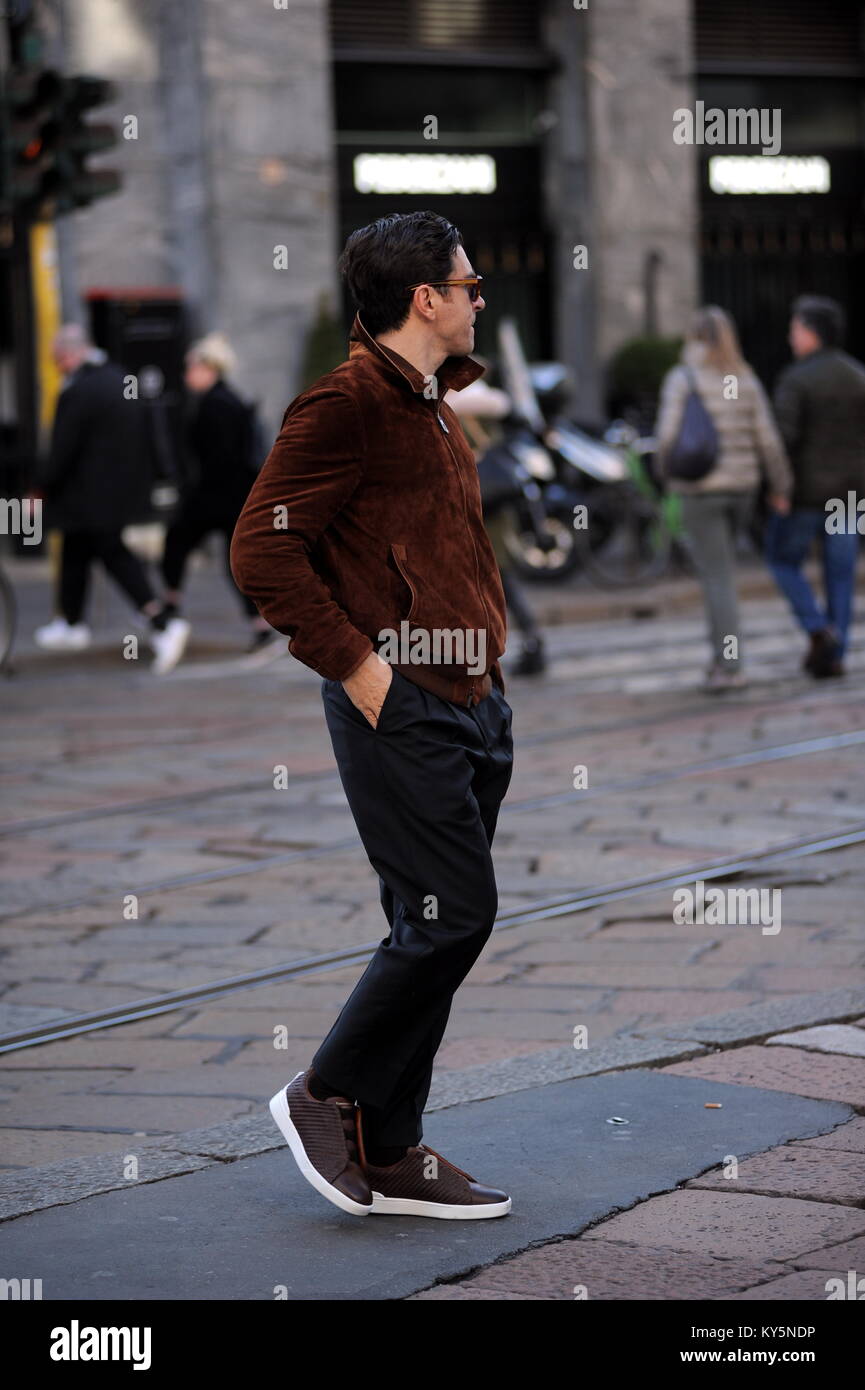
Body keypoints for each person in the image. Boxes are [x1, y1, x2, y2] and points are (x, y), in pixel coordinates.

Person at [230, 211, 514, 1220]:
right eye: (469, 284)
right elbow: (261, 552)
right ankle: (326, 1095)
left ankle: (390, 1145)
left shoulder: (434, 400)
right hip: (400, 705)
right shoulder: (343, 403)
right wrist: (361, 672)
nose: (482, 297)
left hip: (473, 701)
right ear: (424, 299)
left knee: (433, 922)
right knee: (452, 916)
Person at [34, 324, 190, 674]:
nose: (57, 366)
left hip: (88, 496)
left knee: (114, 556)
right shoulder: (121, 379)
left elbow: (63, 449)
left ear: (67, 355)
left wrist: (41, 486)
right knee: (76, 550)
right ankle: (71, 623)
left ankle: (163, 621)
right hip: (118, 493)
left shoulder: (78, 389)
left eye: (57, 359)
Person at [655, 305, 793, 691]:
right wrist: (781, 487)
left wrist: (665, 478)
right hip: (743, 489)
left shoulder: (683, 378)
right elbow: (767, 440)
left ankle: (730, 667)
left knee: (718, 578)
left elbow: (666, 437)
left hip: (701, 490)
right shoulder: (745, 378)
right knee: (723, 571)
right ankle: (722, 659)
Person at [765, 295, 865, 678]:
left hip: (807, 495)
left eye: (795, 329)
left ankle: (815, 627)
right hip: (849, 496)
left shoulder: (797, 378)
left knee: (782, 560)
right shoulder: (857, 375)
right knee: (841, 572)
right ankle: (836, 648)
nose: (791, 338)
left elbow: (782, 440)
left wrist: (777, 488)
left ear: (811, 333)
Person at [157, 332, 274, 653]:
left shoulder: (216, 405)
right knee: (231, 561)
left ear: (209, 368)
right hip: (233, 497)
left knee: (181, 542)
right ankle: (259, 626)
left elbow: (221, 460)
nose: (187, 373)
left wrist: (196, 495)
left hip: (222, 497)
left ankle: (169, 607)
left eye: (191, 366)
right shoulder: (224, 399)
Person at [445, 371, 547, 675]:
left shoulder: (454, 417)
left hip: (471, 513)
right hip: (497, 514)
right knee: (501, 583)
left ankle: (481, 655)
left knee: (479, 586)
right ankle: (531, 642)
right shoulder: (495, 419)